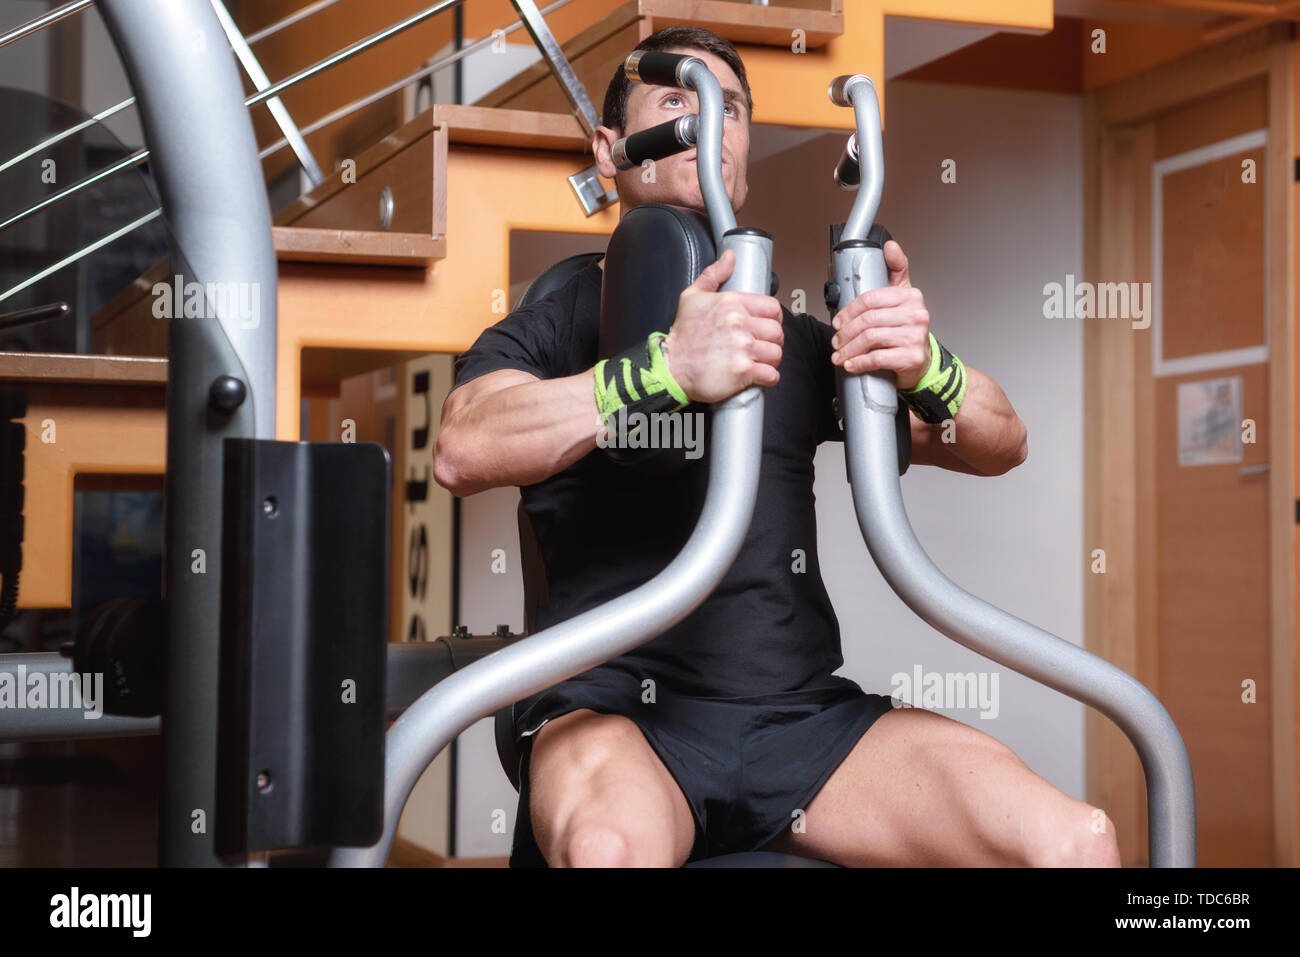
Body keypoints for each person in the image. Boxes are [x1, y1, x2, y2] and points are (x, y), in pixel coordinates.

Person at [433, 25, 1121, 868]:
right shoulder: (552, 324)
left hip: (802, 724)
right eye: (679, 103)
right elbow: (462, 446)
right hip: (614, 717)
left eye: (731, 111)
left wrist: (924, 363)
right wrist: (662, 370)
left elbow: (999, 439)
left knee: (1074, 842)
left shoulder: (792, 342)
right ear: (610, 150)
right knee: (610, 850)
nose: (709, 126)